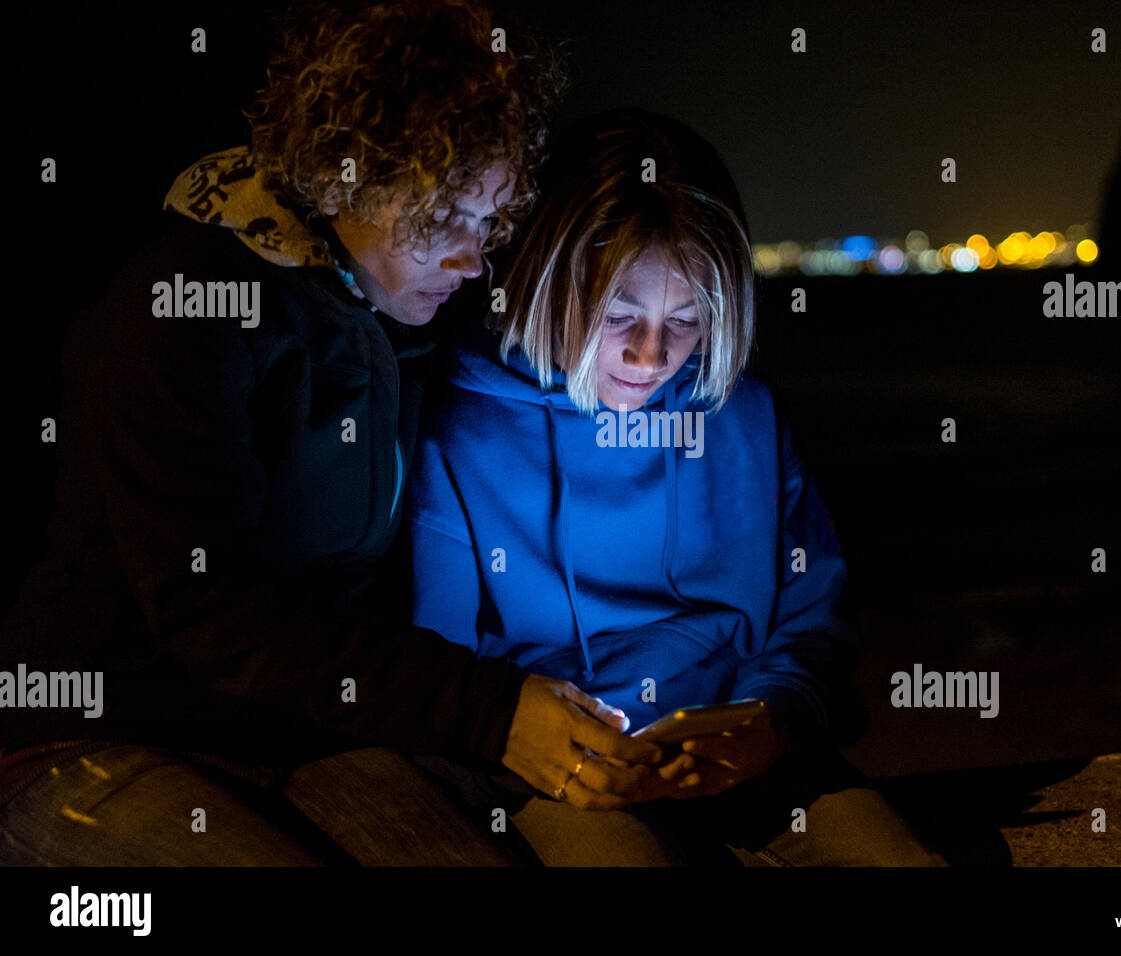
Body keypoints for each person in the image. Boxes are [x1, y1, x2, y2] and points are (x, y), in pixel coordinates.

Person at [0, 0, 664, 867]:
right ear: (345, 178)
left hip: (299, 733)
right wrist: (490, 712)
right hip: (101, 732)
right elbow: (214, 609)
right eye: (444, 222)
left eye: (489, 222)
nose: (473, 260)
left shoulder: (398, 321)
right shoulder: (186, 305)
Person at [405, 108, 948, 865]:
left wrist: (775, 718)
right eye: (618, 313)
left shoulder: (743, 416)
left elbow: (813, 611)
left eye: (687, 321)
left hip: (751, 761)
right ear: (544, 273)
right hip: (553, 777)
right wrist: (531, 744)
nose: (652, 354)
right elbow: (437, 665)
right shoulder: (457, 427)